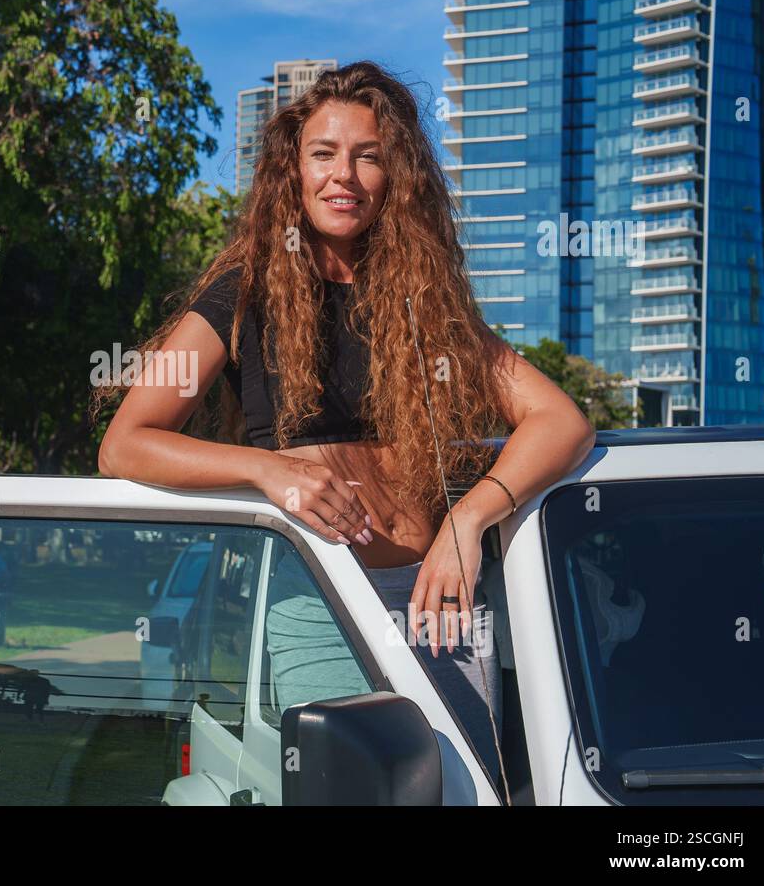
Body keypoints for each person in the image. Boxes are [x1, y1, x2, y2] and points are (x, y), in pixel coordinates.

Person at [94, 61, 596, 788]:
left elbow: (560, 421)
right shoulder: (243, 296)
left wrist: (469, 521)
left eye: (368, 157)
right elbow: (126, 443)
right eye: (324, 154)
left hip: (442, 605)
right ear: (291, 171)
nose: (345, 176)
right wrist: (265, 467)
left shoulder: (425, 302)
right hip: (319, 601)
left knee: (468, 793)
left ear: (396, 176)